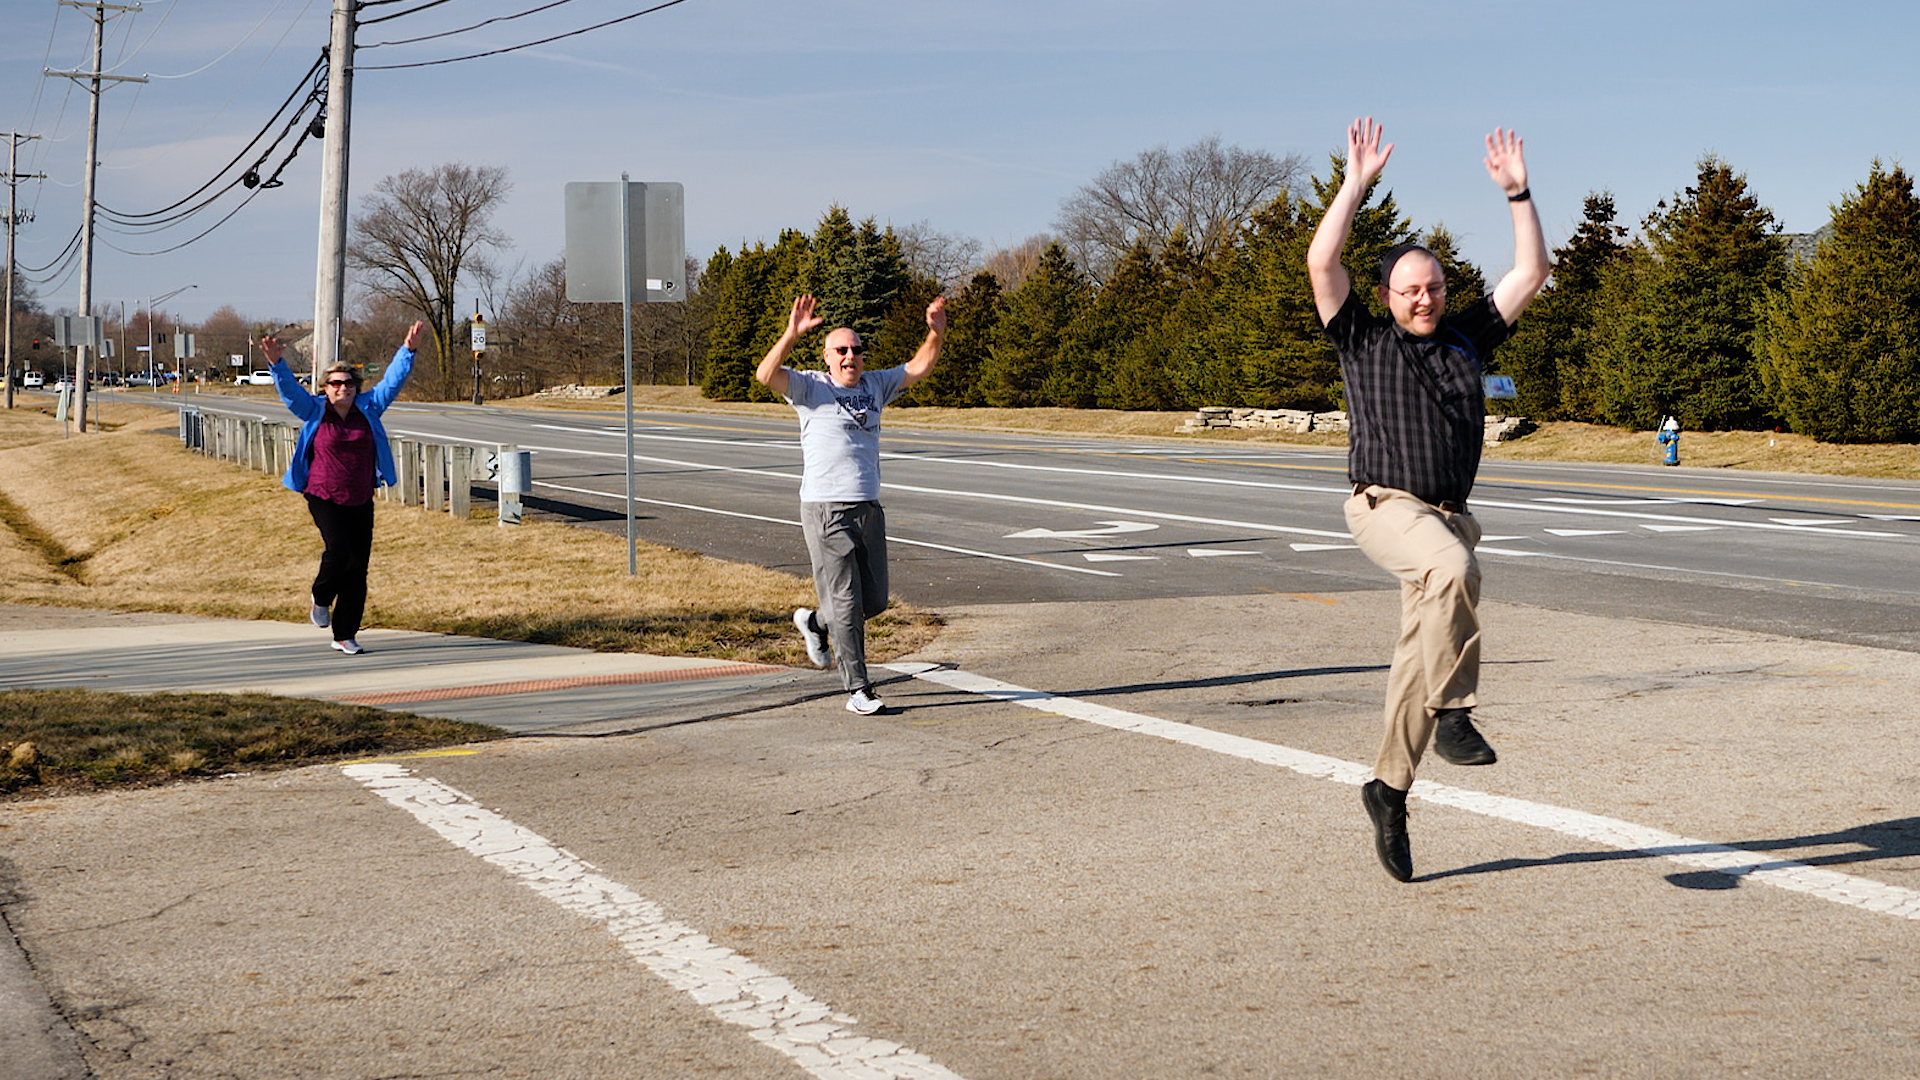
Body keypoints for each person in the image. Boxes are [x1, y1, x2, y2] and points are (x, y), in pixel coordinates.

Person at [1306, 118, 1551, 882]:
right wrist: (1355, 183)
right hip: (1385, 508)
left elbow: (1531, 270)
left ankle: (1388, 788)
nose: (1424, 299)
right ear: (1385, 295)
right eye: (1410, 290)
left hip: (1448, 517)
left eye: (1435, 287)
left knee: (1419, 661)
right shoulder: (1361, 338)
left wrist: (1518, 192)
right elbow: (1323, 259)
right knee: (1452, 571)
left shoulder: (1467, 339)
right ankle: (1456, 714)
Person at [755, 293, 947, 715]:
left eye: (856, 350)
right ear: (827, 357)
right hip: (826, 510)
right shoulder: (810, 387)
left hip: (868, 507)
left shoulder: (876, 384)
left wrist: (935, 333)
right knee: (846, 602)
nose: (850, 356)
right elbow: (766, 374)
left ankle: (814, 623)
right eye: (841, 350)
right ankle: (859, 689)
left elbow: (917, 368)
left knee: (874, 601)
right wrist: (791, 333)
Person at [264, 322, 424, 655]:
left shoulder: (369, 408)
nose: (343, 388)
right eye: (335, 383)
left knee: (357, 567)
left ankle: (345, 634)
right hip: (323, 494)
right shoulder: (315, 411)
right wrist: (277, 364)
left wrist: (407, 351)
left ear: (355, 386)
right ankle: (321, 598)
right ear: (326, 388)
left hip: (360, 496)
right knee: (338, 551)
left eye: (348, 383)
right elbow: (290, 393)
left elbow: (392, 382)